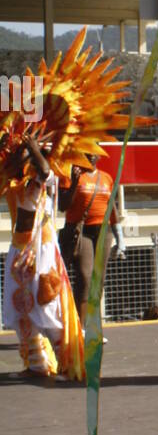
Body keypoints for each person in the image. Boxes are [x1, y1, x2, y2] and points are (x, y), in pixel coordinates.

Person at [1, 134, 83, 378]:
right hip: (19, 249)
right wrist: (14, 148)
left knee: (47, 304)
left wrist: (31, 147)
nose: (16, 156)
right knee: (20, 309)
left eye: (22, 154)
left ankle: (67, 362)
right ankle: (37, 366)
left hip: (42, 249)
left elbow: (46, 170)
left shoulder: (39, 179)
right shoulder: (9, 181)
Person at [58, 163, 125, 318]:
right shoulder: (70, 176)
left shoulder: (106, 177)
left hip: (104, 230)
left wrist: (119, 237)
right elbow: (63, 206)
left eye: (93, 150)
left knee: (98, 279)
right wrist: (74, 183)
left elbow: (112, 207)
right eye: (86, 152)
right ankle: (80, 326)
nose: (90, 155)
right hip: (81, 230)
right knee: (85, 276)